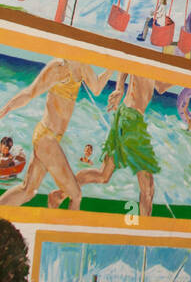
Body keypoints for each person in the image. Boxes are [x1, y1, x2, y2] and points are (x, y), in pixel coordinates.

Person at [0, 61, 113, 211]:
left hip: (51, 139)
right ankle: (68, 234)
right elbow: (30, 93)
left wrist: (111, 67)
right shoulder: (60, 67)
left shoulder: (83, 66)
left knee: (27, 190)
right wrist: (6, 109)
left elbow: (97, 88)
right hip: (46, 138)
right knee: (76, 195)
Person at [76, 71, 170, 217]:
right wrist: (119, 88)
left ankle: (61, 193)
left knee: (103, 175)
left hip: (127, 116)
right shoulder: (145, 56)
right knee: (148, 189)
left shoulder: (155, 65)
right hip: (131, 119)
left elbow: (161, 87)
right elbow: (127, 65)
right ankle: (143, 234)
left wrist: (189, 76)